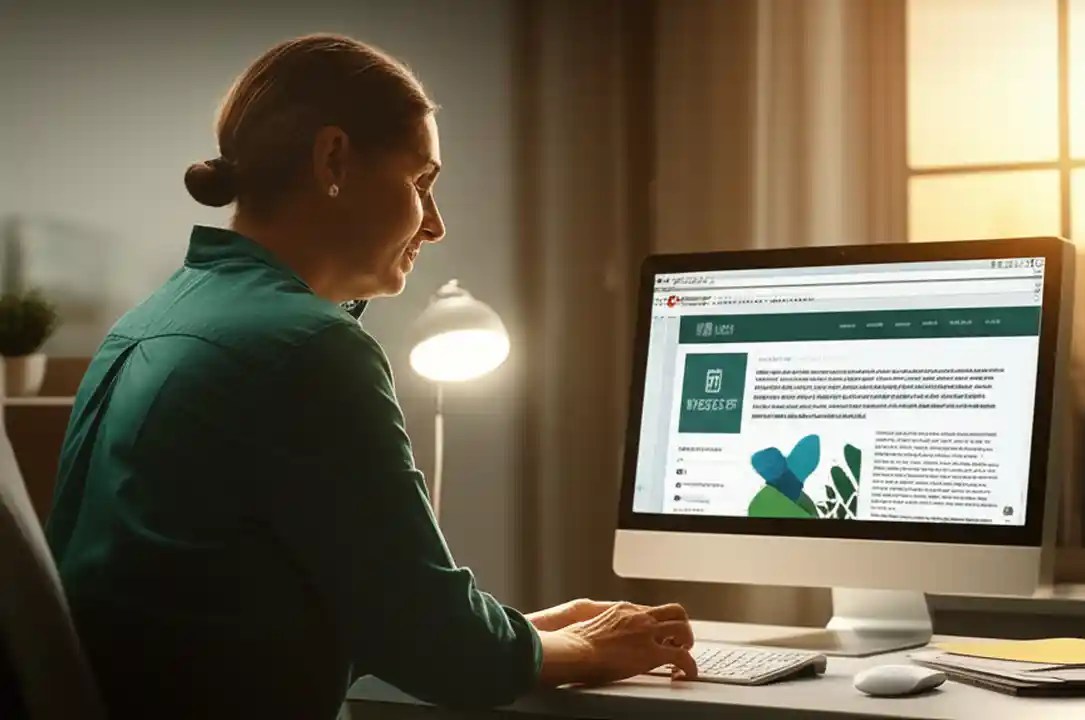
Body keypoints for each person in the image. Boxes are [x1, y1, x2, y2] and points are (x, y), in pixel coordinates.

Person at [43, 33, 696, 719]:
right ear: (334, 159)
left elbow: (331, 608)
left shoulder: (149, 321)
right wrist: (593, 650)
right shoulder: (305, 347)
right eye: (422, 182)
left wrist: (528, 632)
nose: (436, 225)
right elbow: (445, 654)